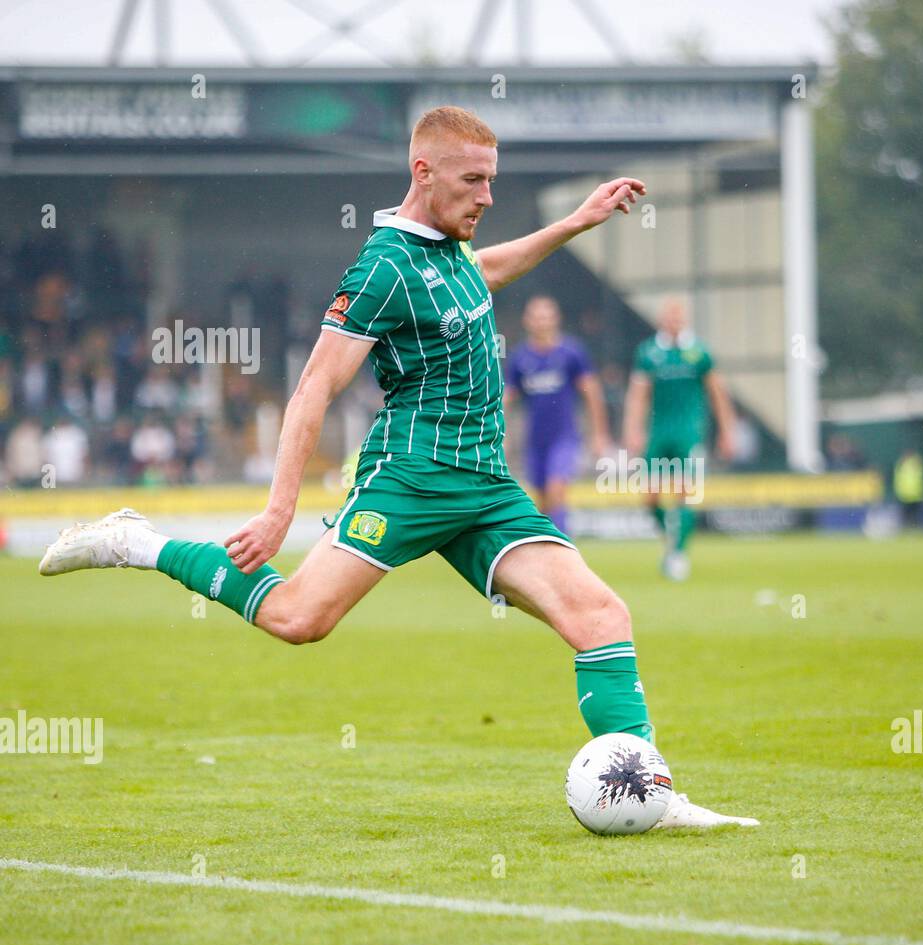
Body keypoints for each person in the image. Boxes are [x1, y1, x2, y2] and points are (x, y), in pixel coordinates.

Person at [38, 106, 755, 830]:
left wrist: (575, 223)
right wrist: (279, 510)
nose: (487, 196)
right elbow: (315, 385)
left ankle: (650, 795)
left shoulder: (452, 248)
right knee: (297, 618)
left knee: (602, 616)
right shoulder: (383, 266)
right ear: (424, 172)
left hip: (486, 487)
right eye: (473, 180)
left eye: (492, 180)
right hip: (410, 478)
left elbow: (486, 273)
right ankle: (138, 543)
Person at [621, 300, 736, 581]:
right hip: (658, 433)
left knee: (685, 491)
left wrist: (727, 431)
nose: (673, 321)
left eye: (678, 316)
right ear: (661, 320)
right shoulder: (649, 353)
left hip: (689, 433)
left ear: (684, 319)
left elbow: (718, 393)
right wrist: (632, 430)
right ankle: (672, 538)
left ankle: (677, 554)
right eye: (669, 316)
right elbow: (638, 395)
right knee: (649, 496)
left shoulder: (698, 353)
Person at [502, 295, 612, 535]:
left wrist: (600, 434)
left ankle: (565, 553)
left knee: (556, 492)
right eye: (536, 317)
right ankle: (550, 553)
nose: (541, 322)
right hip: (535, 441)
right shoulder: (520, 357)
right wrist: (502, 434)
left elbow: (592, 393)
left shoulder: (572, 353)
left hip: (564, 437)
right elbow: (507, 398)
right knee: (542, 504)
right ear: (527, 321)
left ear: (556, 319)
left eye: (546, 317)